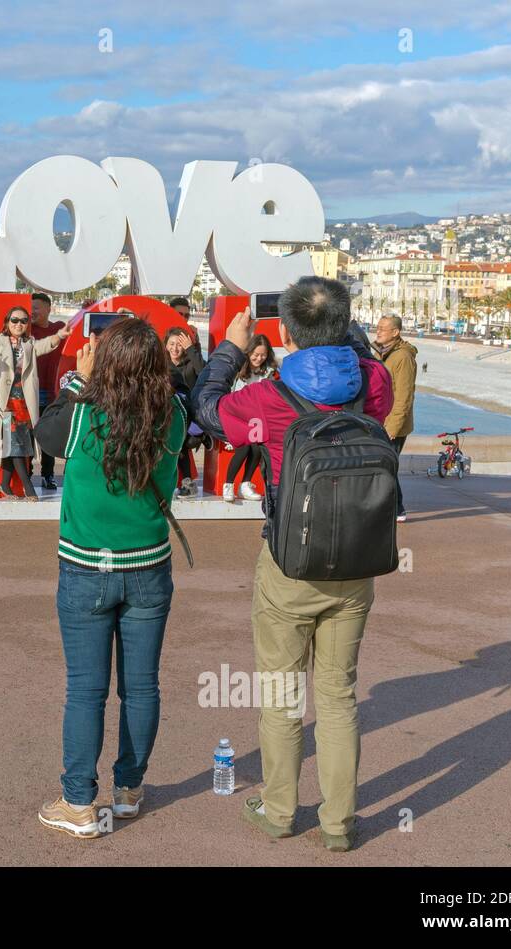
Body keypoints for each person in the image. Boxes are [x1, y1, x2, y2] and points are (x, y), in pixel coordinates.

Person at [190, 276, 393, 852]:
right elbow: (363, 370)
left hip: (290, 561)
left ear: (283, 332)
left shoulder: (269, 399)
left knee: (282, 695)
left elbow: (207, 411)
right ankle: (338, 823)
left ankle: (280, 809)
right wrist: (341, 328)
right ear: (346, 324)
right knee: (338, 695)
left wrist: (230, 348)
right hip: (357, 562)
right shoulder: (372, 382)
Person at [33, 317, 187, 838]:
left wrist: (77, 379)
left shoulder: (81, 414)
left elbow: (45, 434)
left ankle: (79, 801)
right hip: (148, 565)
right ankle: (128, 790)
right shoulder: (174, 415)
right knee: (141, 687)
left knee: (86, 690)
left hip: (85, 566)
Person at [0, 305, 68, 501]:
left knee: (16, 443)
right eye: (14, 320)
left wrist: (60, 335)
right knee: (13, 441)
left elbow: (45, 345)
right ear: (7, 322)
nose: (18, 324)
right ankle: (29, 487)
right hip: (4, 402)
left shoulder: (29, 343)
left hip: (25, 403)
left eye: (23, 321)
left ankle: (4, 484)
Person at [221, 333, 277, 504]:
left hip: (255, 419)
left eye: (263, 355)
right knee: (245, 446)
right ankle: (228, 484)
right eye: (256, 354)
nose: (259, 358)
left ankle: (245, 483)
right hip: (234, 416)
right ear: (248, 352)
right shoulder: (237, 369)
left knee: (258, 445)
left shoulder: (269, 372)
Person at [374, 314, 417, 522]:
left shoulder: (402, 357)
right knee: (383, 465)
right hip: (380, 422)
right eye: (378, 327)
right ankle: (391, 507)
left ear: (395, 332)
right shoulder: (383, 353)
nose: (378, 331)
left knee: (387, 466)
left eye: (383, 328)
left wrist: (392, 428)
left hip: (393, 425)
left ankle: (397, 509)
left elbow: (404, 396)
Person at [28, 292, 65, 490]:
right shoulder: (25, 329)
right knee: (27, 434)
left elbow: (79, 327)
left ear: (48, 308)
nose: (32, 312)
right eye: (30, 308)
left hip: (52, 391)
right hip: (29, 391)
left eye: (36, 308)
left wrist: (88, 306)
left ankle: (48, 475)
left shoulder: (58, 327)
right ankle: (26, 473)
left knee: (48, 436)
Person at [165, 325, 206, 497]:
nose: (175, 348)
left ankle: (187, 482)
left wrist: (191, 350)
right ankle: (181, 481)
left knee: (180, 440)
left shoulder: (191, 363)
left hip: (192, 418)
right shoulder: (160, 364)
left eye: (179, 344)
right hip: (169, 415)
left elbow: (205, 373)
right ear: (165, 345)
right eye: (171, 343)